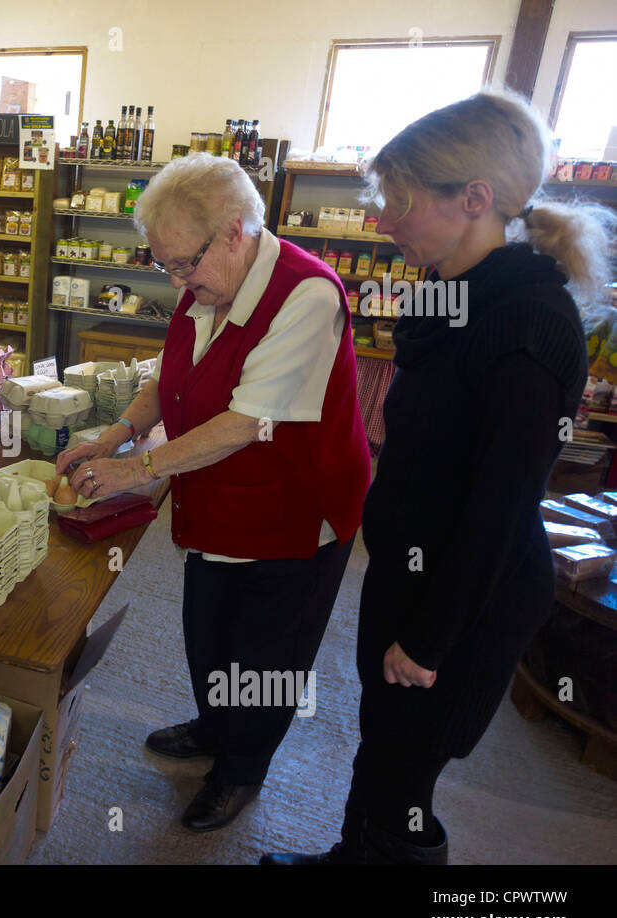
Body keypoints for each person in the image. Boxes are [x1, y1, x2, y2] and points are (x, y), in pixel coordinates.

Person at [262, 89, 612, 865]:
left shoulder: (525, 324)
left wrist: (427, 640)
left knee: (406, 781)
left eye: (400, 200)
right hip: (412, 571)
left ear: (475, 199)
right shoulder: (454, 291)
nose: (384, 219)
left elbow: (499, 510)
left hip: (465, 599)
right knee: (383, 743)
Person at [55, 153, 371, 832]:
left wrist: (137, 471)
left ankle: (242, 769)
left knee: (266, 653)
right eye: (164, 265)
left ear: (235, 231)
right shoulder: (207, 282)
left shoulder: (307, 297)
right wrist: (113, 436)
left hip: (294, 510)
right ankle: (213, 725)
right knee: (208, 629)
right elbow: (167, 377)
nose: (176, 281)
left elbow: (244, 421)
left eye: (183, 264)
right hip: (220, 497)